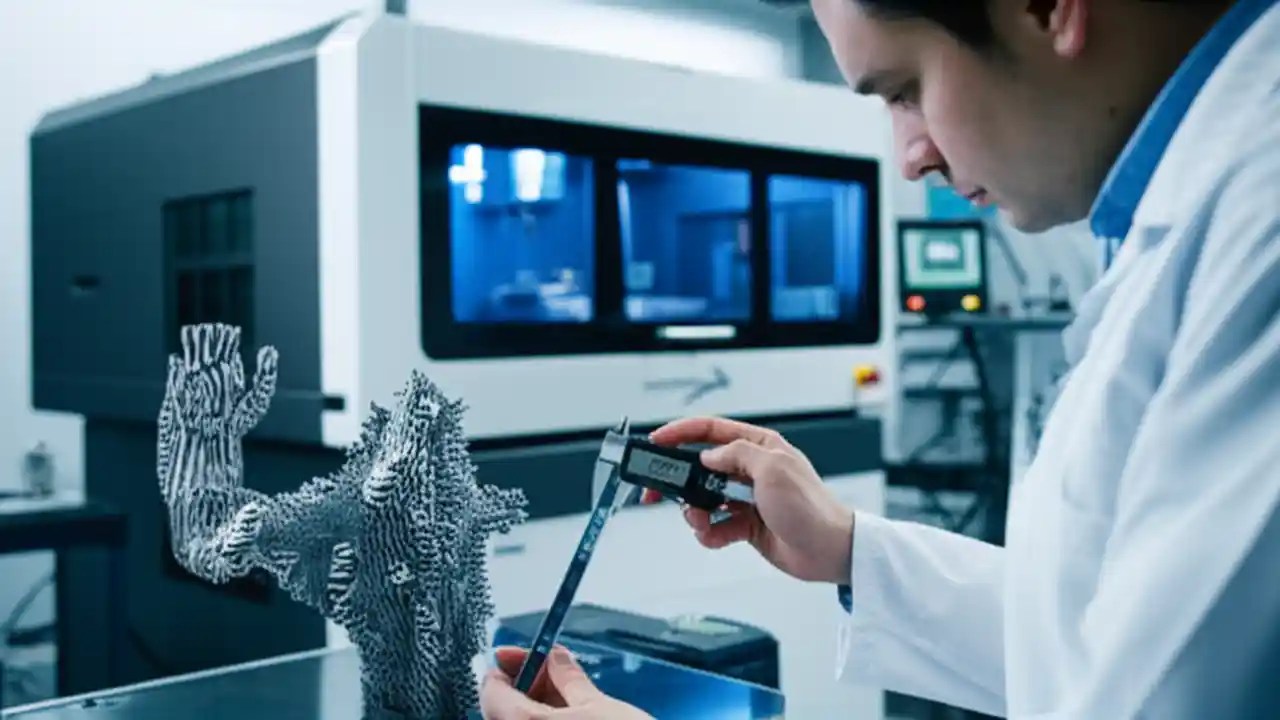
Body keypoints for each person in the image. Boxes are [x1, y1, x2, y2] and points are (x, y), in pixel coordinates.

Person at [480, 0, 1280, 716]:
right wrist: (848, 547)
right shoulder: (1190, 221)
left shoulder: (1259, 241)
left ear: (1047, 8)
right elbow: (1089, 634)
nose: (909, 157)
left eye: (903, 89)